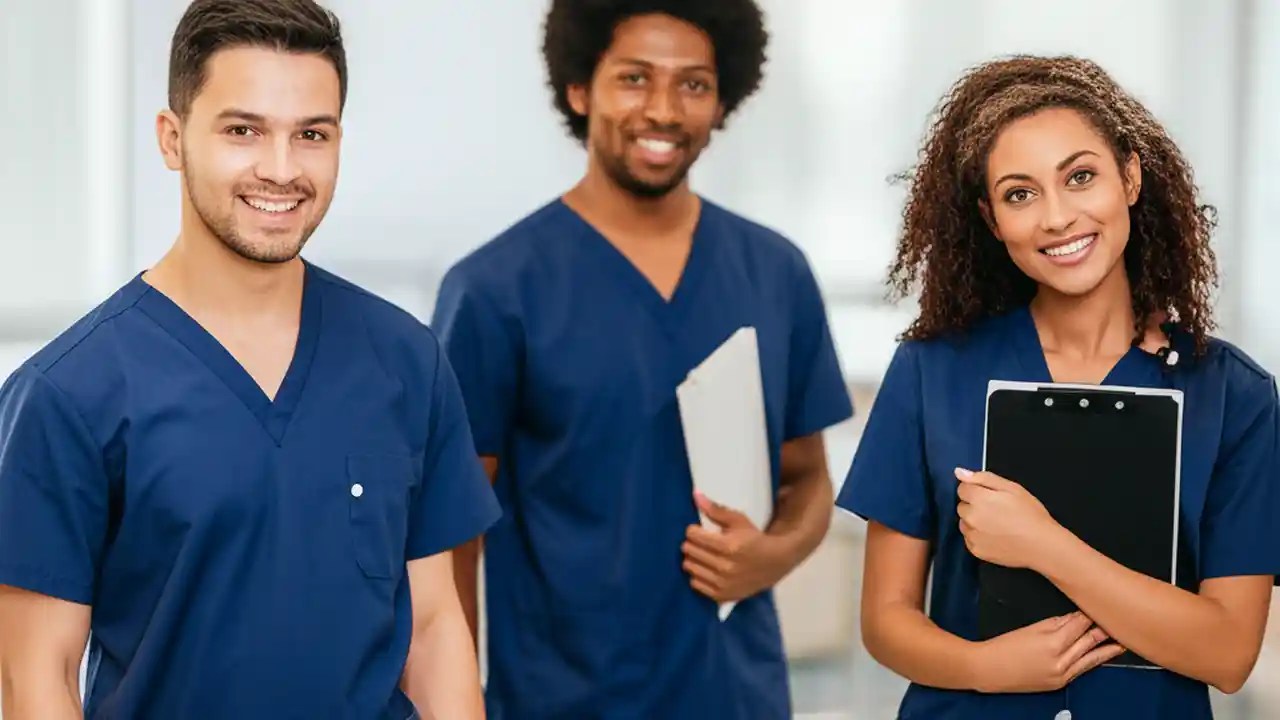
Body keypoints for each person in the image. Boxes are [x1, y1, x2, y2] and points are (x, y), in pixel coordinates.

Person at [0, 1, 499, 718]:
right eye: (243, 131)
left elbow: (433, 629)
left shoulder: (405, 361)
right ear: (173, 139)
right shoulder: (67, 392)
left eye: (311, 135)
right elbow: (34, 677)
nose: (281, 169)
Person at [430, 0, 853, 716]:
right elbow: (451, 540)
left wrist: (770, 556)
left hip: (737, 696)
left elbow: (809, 479)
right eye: (633, 79)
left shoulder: (775, 273)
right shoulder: (495, 290)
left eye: (692, 84)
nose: (663, 109)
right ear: (578, 88)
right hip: (559, 702)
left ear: (722, 102)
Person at [837, 55, 1279, 719]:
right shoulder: (932, 371)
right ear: (991, 218)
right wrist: (984, 667)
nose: (1057, 217)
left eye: (1080, 177)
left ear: (1129, 176)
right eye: (1021, 193)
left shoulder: (1235, 396)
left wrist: (1044, 545)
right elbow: (885, 619)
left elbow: (1227, 652)